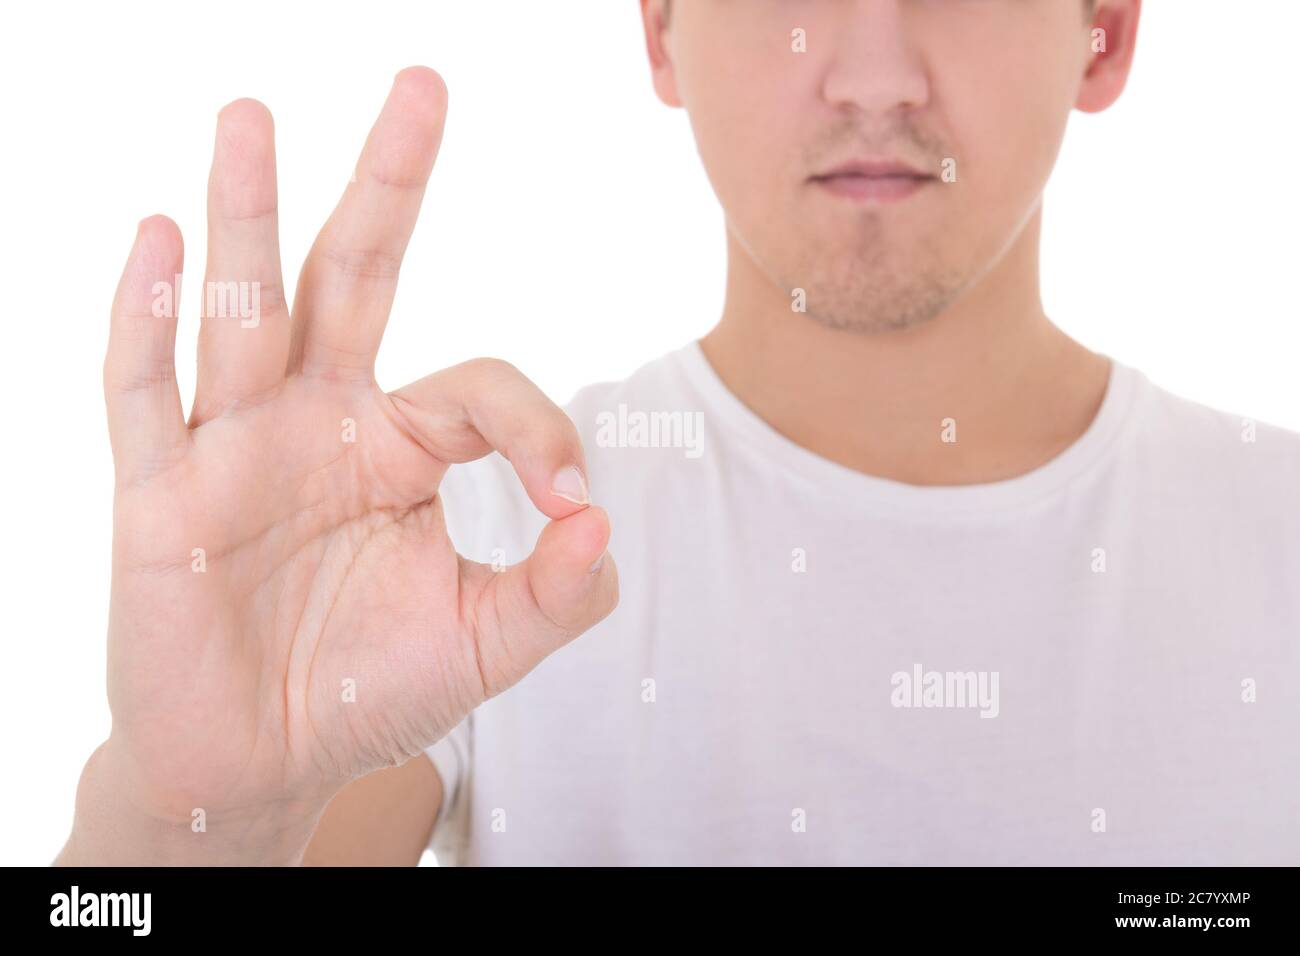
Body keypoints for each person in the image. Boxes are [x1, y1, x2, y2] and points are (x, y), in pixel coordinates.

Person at [57, 0, 1299, 867]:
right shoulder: (476, 547)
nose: (872, 74)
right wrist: (180, 823)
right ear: (660, 28)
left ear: (1106, 32)